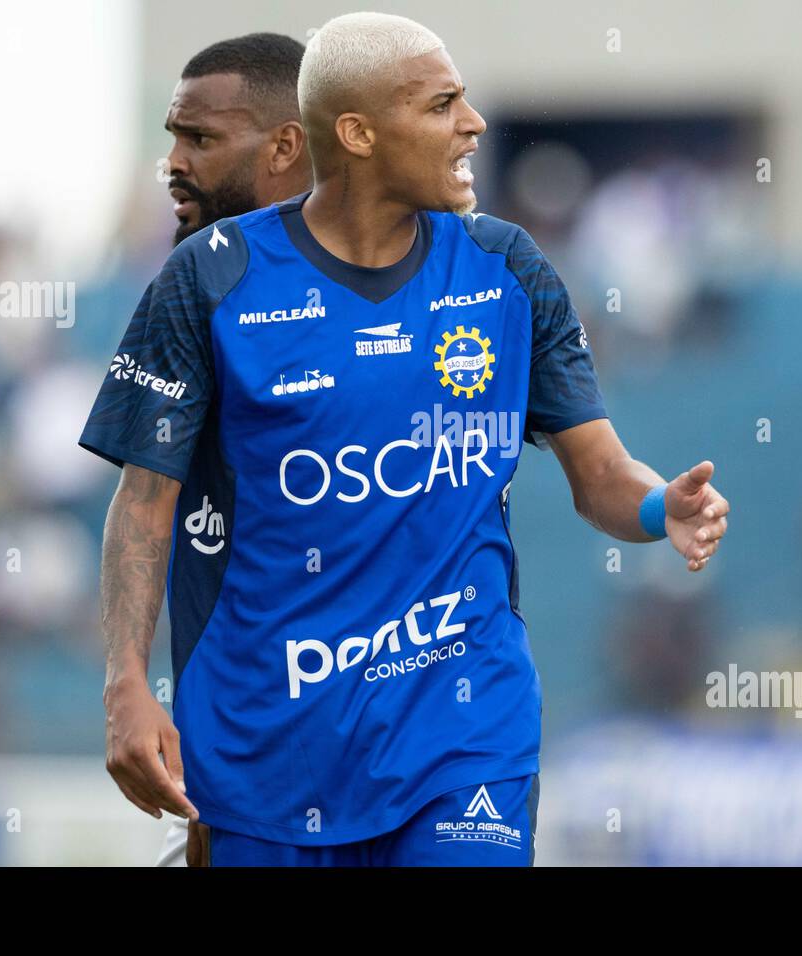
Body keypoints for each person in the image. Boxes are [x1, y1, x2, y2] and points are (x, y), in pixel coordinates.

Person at [81, 11, 729, 867]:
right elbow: (144, 504)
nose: (475, 124)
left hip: (463, 737)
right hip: (266, 749)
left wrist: (657, 507)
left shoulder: (506, 268)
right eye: (442, 105)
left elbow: (600, 471)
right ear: (355, 133)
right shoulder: (210, 278)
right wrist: (126, 681)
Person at [147, 31, 313, 867]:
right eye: (172, 136)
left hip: (406, 749)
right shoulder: (190, 289)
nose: (173, 162)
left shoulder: (439, 279)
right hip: (244, 755)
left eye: (200, 139)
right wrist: (128, 691)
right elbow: (142, 507)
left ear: (287, 146)